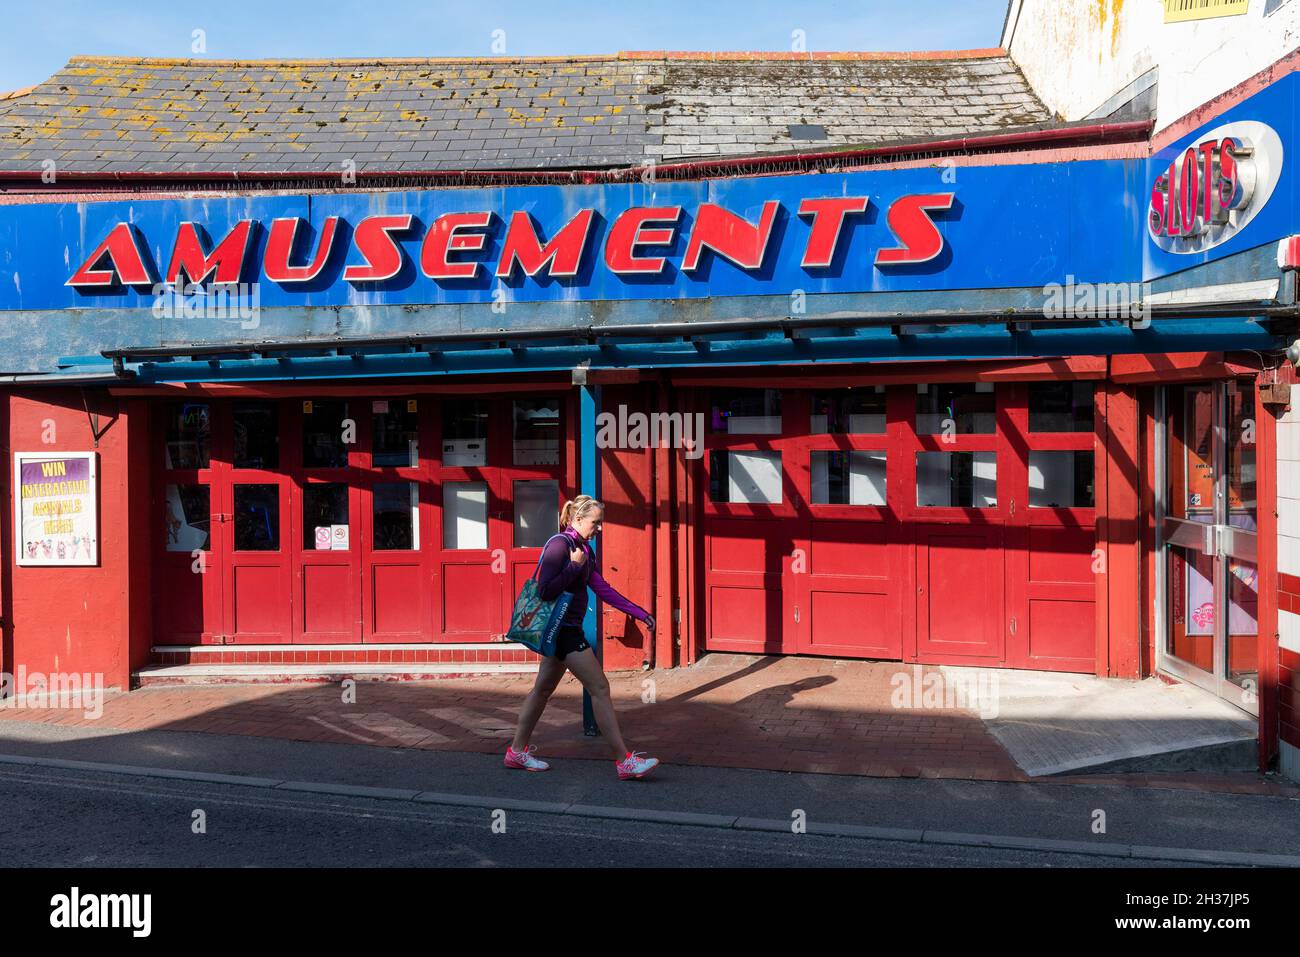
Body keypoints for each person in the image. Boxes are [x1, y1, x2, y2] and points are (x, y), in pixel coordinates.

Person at [506, 494, 661, 780]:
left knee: (542, 690)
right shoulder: (559, 545)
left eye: (601, 523)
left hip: (565, 630)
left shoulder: (584, 550)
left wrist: (639, 613)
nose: (600, 528)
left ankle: (516, 751)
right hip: (563, 631)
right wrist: (573, 567)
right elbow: (545, 591)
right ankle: (624, 762)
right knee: (600, 688)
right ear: (577, 519)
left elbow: (602, 588)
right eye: (596, 522)